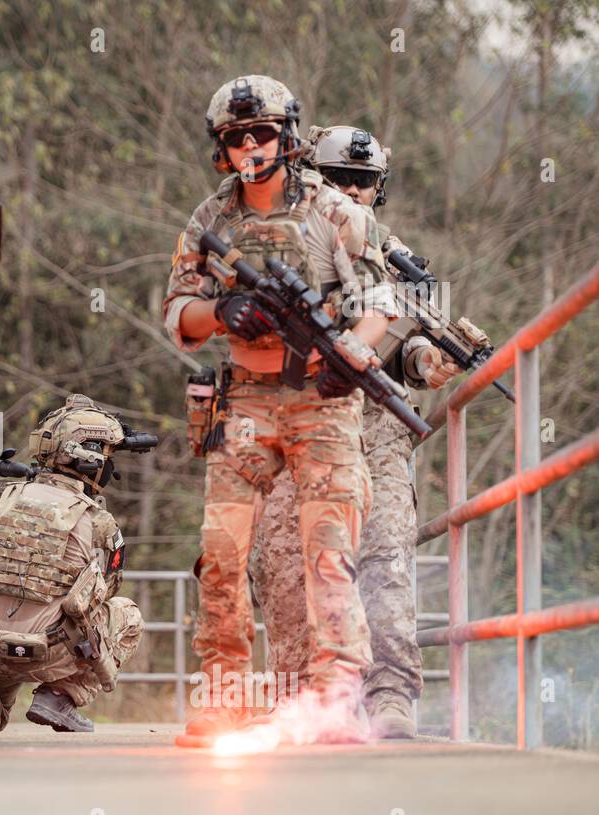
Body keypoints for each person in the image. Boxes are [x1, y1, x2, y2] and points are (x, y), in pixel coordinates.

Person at [163, 76, 402, 746]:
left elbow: (386, 297)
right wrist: (225, 312)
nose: (249, 147)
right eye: (235, 137)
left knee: (328, 551)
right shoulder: (209, 219)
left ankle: (337, 696)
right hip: (246, 398)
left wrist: (352, 350)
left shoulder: (335, 212)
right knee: (222, 549)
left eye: (261, 132)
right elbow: (177, 311)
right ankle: (225, 691)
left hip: (323, 402)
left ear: (288, 136)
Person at [248, 125, 474, 739]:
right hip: (294, 422)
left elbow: (410, 356)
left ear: (380, 187)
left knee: (385, 558)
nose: (352, 190)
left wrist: (436, 362)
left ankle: (391, 694)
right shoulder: (287, 234)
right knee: (287, 560)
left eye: (365, 181)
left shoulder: (392, 256)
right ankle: (302, 700)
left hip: (372, 425)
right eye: (339, 178)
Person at [0, 395, 146, 733]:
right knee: (127, 614)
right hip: (50, 650)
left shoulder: (10, 498)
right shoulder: (98, 520)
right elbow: (110, 587)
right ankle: (59, 696)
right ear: (90, 460)